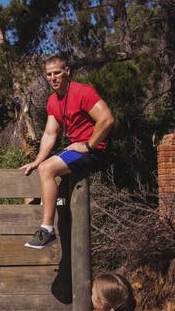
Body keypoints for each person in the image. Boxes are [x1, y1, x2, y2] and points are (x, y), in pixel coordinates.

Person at [21, 53, 114, 248]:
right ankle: (40, 221)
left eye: (56, 73)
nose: (52, 78)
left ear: (67, 71)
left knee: (47, 169)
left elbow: (106, 119)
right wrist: (37, 160)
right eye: (48, 74)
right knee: (34, 179)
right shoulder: (53, 101)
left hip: (94, 150)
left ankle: (47, 230)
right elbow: (49, 133)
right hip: (75, 150)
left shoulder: (83, 92)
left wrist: (88, 145)